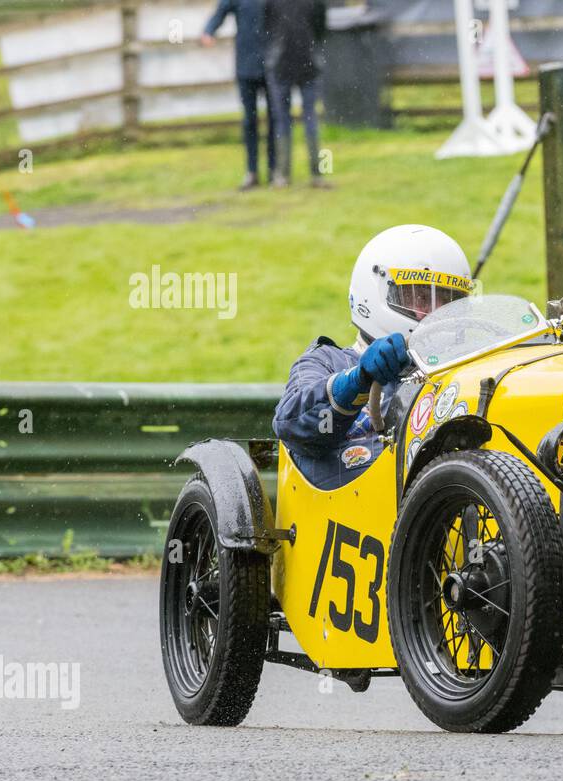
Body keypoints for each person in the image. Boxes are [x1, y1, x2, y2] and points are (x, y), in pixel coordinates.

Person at [273, 226, 474, 489]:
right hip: (355, 512)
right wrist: (359, 380)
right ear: (375, 291)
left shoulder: (464, 370)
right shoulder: (327, 360)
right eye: (421, 298)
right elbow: (293, 426)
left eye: (447, 302)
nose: (433, 314)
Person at [201, 0, 275, 190]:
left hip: (272, 65)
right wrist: (209, 32)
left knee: (274, 120)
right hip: (246, 67)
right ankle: (252, 172)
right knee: (250, 121)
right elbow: (220, 13)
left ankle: (275, 170)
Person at [263, 0, 329, 188]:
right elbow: (321, 28)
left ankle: (283, 175)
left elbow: (265, 27)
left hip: (281, 64)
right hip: (307, 61)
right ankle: (317, 174)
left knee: (283, 120)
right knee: (310, 118)